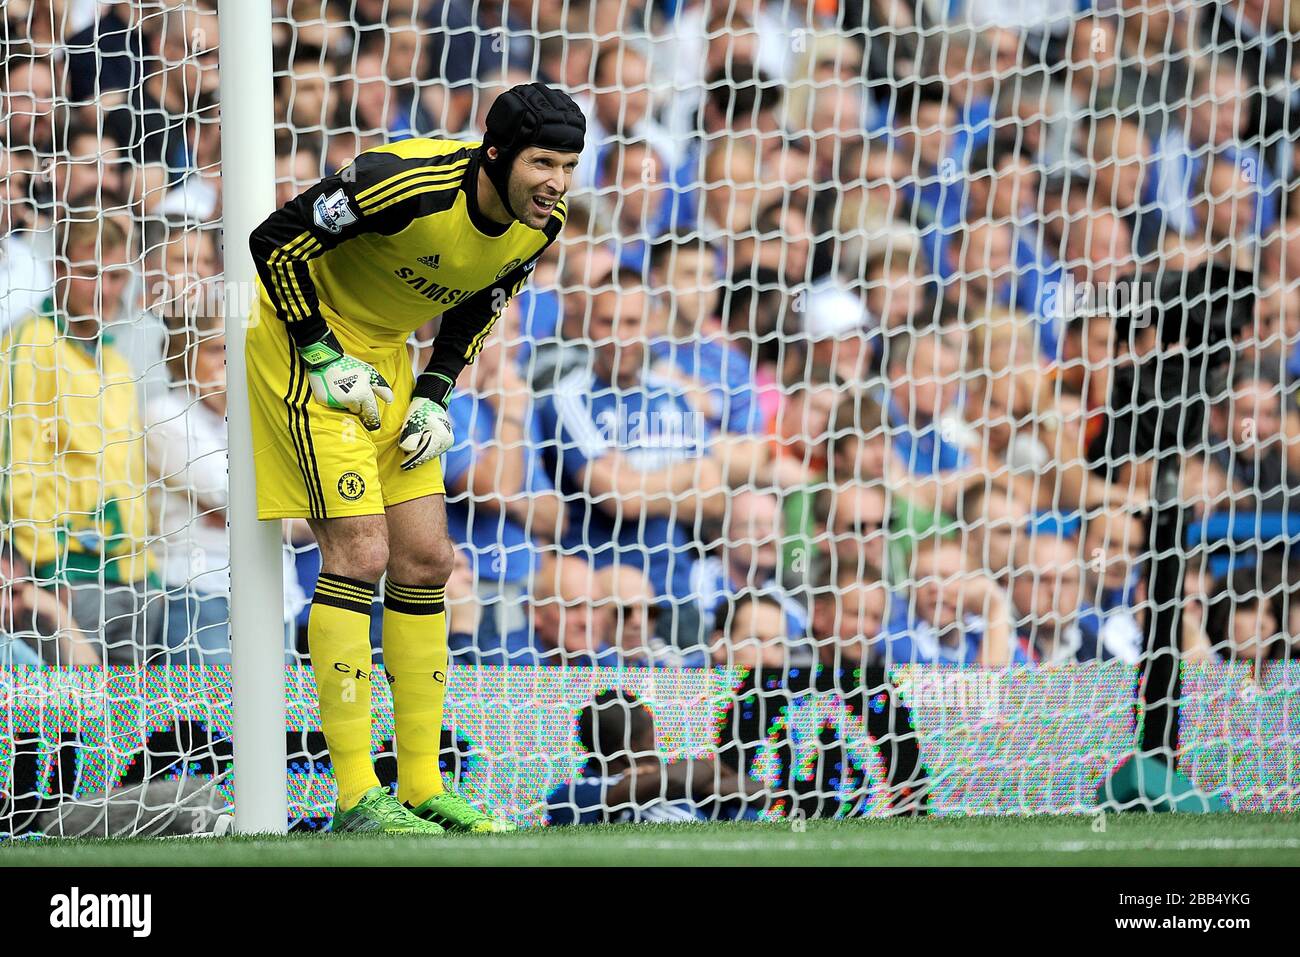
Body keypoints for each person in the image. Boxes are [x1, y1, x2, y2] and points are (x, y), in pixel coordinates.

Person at [245, 81, 586, 834]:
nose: (557, 182)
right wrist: (323, 354)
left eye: (567, 164)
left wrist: (434, 389)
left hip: (394, 362)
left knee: (429, 559)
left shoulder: (543, 221)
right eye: (542, 162)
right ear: (496, 154)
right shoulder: (403, 183)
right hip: (306, 348)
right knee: (360, 554)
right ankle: (356, 795)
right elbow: (273, 242)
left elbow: (480, 299)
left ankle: (424, 784)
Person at [0, 215, 163, 667]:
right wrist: (49, 569)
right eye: (90, 273)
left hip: (134, 576)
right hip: (70, 574)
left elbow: (131, 474)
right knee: (79, 723)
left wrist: (145, 565)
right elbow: (20, 467)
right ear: (58, 268)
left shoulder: (116, 363)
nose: (105, 289)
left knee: (134, 725)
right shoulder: (30, 345)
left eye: (115, 276)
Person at [546, 691, 764, 825]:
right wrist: (707, 768)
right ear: (628, 750)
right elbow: (677, 779)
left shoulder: (686, 782)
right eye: (652, 740)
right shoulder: (576, 794)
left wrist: (703, 781)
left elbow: (762, 795)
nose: (658, 748)